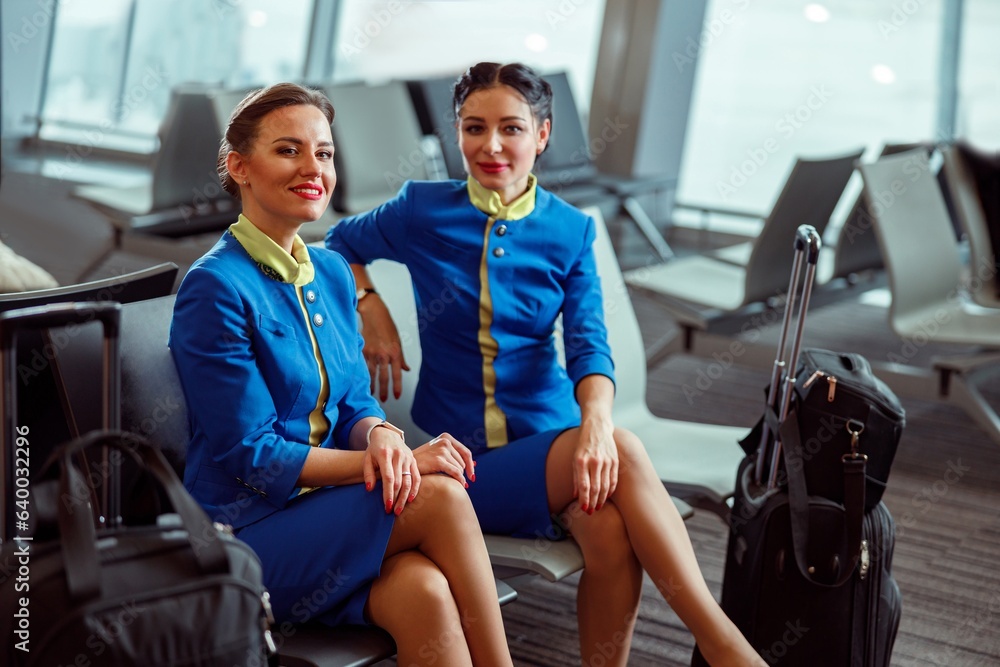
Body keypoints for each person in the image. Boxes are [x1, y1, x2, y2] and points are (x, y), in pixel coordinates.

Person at [325, 63, 766, 667]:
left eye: (511, 128)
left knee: (610, 534)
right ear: (457, 133)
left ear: (543, 133)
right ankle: (725, 647)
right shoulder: (420, 210)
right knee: (627, 451)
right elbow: (336, 245)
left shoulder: (571, 230)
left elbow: (589, 343)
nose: (492, 146)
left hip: (550, 441)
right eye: (474, 128)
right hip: (466, 469)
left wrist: (594, 426)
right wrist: (370, 305)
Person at [169, 82, 513, 667]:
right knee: (441, 498)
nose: (313, 168)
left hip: (329, 511)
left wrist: (381, 435)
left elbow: (354, 402)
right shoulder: (214, 287)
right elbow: (252, 453)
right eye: (288, 150)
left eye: (324, 153)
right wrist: (396, 461)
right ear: (240, 167)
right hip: (249, 535)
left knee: (425, 592)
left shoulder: (329, 270)